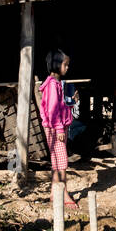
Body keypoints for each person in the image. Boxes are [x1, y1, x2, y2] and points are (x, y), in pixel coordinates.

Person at [39, 49, 78, 208]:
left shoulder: (54, 84)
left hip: (56, 127)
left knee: (57, 162)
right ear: (56, 65)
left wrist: (70, 100)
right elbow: (53, 109)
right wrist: (60, 129)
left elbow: (60, 105)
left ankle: (54, 193)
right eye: (65, 64)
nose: (67, 67)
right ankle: (64, 194)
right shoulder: (52, 85)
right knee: (62, 163)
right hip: (56, 129)